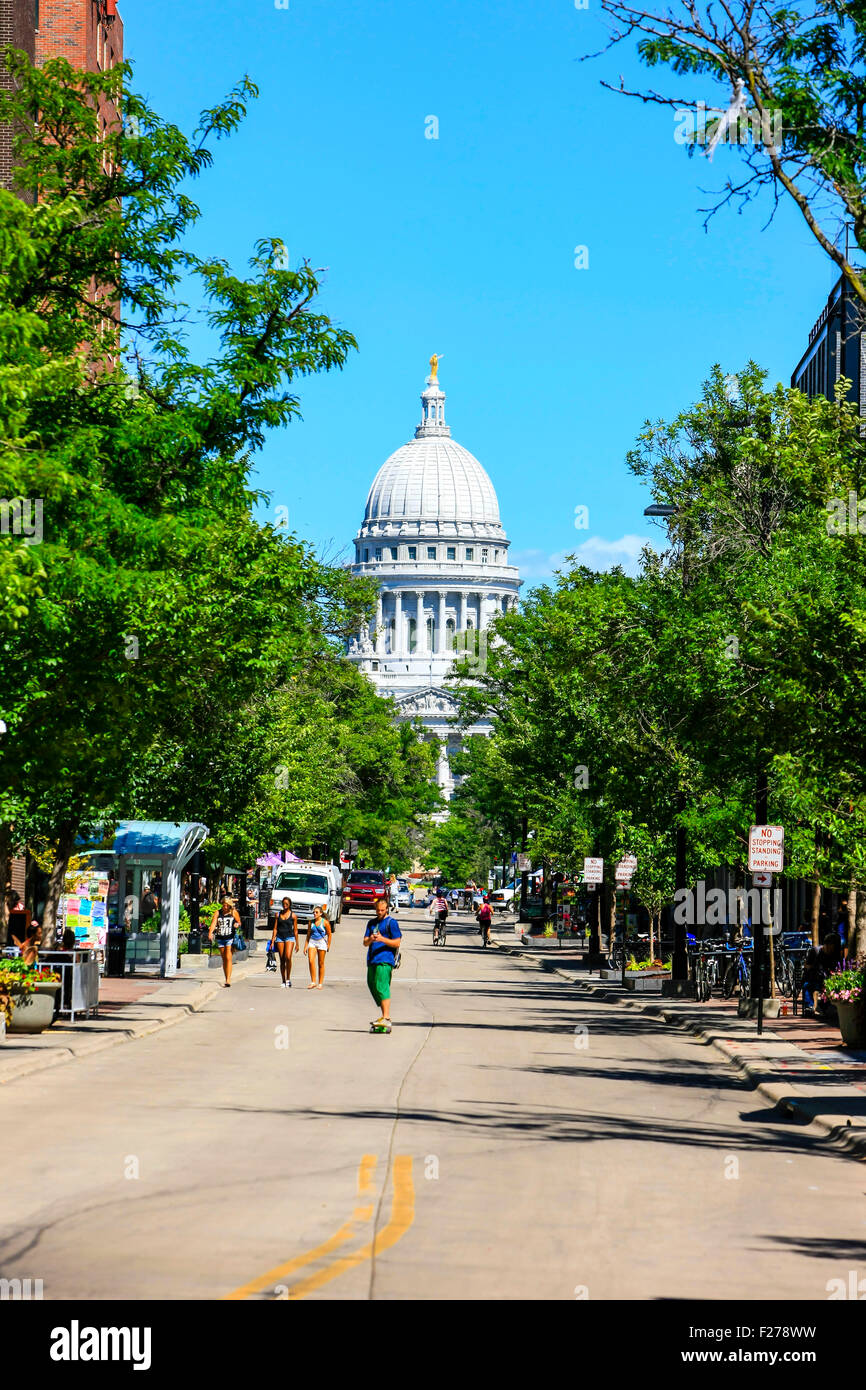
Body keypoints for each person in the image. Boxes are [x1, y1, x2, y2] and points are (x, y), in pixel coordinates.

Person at [364, 895, 402, 1027]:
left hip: (386, 959)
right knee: (372, 985)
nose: (379, 912)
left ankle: (386, 1016)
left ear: (386, 909)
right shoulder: (371, 923)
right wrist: (372, 939)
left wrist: (382, 939)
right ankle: (384, 1015)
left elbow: (397, 942)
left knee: (382, 986)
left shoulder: (391, 923)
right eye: (378, 910)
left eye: (382, 910)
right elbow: (365, 942)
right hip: (372, 959)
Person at [801, 931, 843, 1016]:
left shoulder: (835, 954)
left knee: (834, 987)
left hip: (828, 979)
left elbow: (838, 969)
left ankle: (824, 1006)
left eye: (834, 947)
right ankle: (809, 1007)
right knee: (807, 985)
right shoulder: (815, 951)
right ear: (826, 944)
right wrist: (813, 967)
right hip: (814, 978)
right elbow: (806, 965)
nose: (831, 950)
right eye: (830, 947)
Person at [208, 893, 240, 987]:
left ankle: (228, 980)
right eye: (224, 905)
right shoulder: (218, 913)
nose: (225, 907)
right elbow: (213, 923)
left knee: (228, 957)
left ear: (229, 905)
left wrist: (237, 925)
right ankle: (226, 976)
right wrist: (210, 933)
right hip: (220, 937)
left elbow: (239, 921)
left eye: (227, 905)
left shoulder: (233, 912)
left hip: (230, 937)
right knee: (224, 959)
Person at [270, 896, 299, 988]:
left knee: (288, 957)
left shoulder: (293, 915)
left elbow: (295, 930)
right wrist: (272, 940)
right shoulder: (278, 915)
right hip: (280, 937)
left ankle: (288, 979)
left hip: (289, 937)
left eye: (287, 904)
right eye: (283, 903)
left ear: (290, 904)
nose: (285, 905)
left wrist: (297, 943)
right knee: (282, 959)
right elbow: (275, 928)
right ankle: (283, 980)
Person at [305, 903, 333, 989]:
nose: (314, 914)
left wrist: (328, 944)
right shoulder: (311, 922)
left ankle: (320, 983)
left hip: (321, 942)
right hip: (312, 942)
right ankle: (313, 982)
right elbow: (308, 935)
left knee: (321, 963)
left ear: (321, 913)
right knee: (311, 961)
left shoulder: (325, 922)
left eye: (316, 912)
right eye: (314, 912)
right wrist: (305, 946)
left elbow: (329, 934)